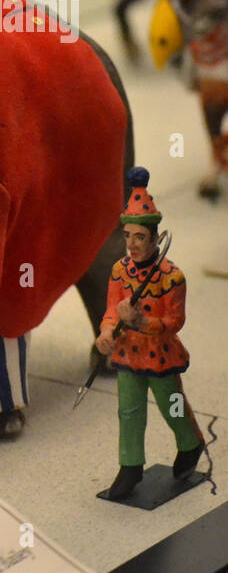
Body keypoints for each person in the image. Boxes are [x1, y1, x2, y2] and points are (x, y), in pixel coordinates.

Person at [96, 166, 205, 500]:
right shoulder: (119, 270)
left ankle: (190, 442)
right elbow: (112, 309)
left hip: (159, 353)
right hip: (128, 351)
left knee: (170, 404)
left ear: (155, 238)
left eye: (139, 237)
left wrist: (142, 323)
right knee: (128, 411)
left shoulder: (172, 277)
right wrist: (105, 332)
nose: (131, 244)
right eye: (127, 236)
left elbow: (174, 322)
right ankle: (130, 467)